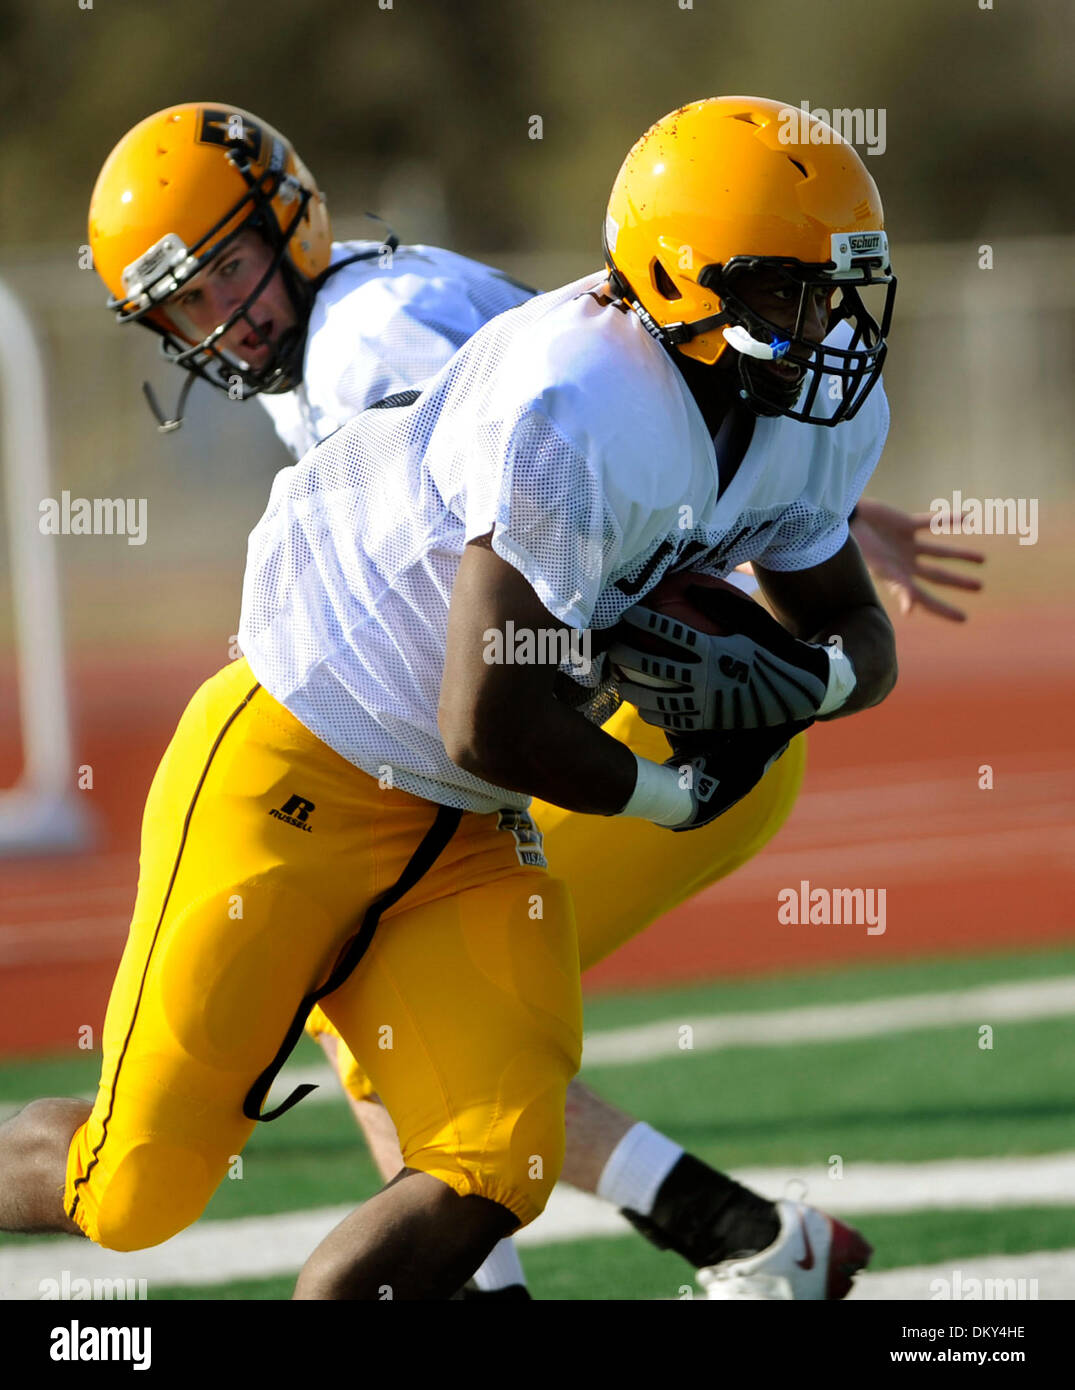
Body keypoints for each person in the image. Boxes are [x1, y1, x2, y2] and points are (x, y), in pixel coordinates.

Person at [0, 97, 950, 1300]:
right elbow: (487, 698)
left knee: (497, 1151)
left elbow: (839, 625)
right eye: (782, 291)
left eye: (830, 289)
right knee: (131, 1188)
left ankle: (705, 1238)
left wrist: (797, 675)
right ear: (675, 278)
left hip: (480, 793)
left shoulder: (429, 341)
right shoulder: (574, 400)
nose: (820, 324)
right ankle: (729, 1230)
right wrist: (671, 787)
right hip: (324, 752)